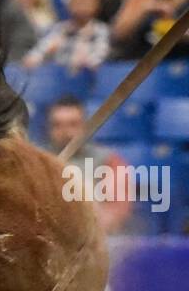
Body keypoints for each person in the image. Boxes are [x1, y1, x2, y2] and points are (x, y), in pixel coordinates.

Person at [45, 95, 133, 233]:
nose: (65, 132)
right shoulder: (37, 162)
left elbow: (114, 215)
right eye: (57, 125)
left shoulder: (110, 162)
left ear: (84, 127)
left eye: (73, 124)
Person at [23, 0, 110, 70]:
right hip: (58, 76)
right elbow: (38, 52)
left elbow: (100, 56)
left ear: (97, 5)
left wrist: (85, 55)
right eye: (76, 1)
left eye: (86, 1)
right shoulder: (60, 29)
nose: (81, 5)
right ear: (68, 5)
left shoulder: (101, 30)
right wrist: (38, 57)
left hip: (88, 78)